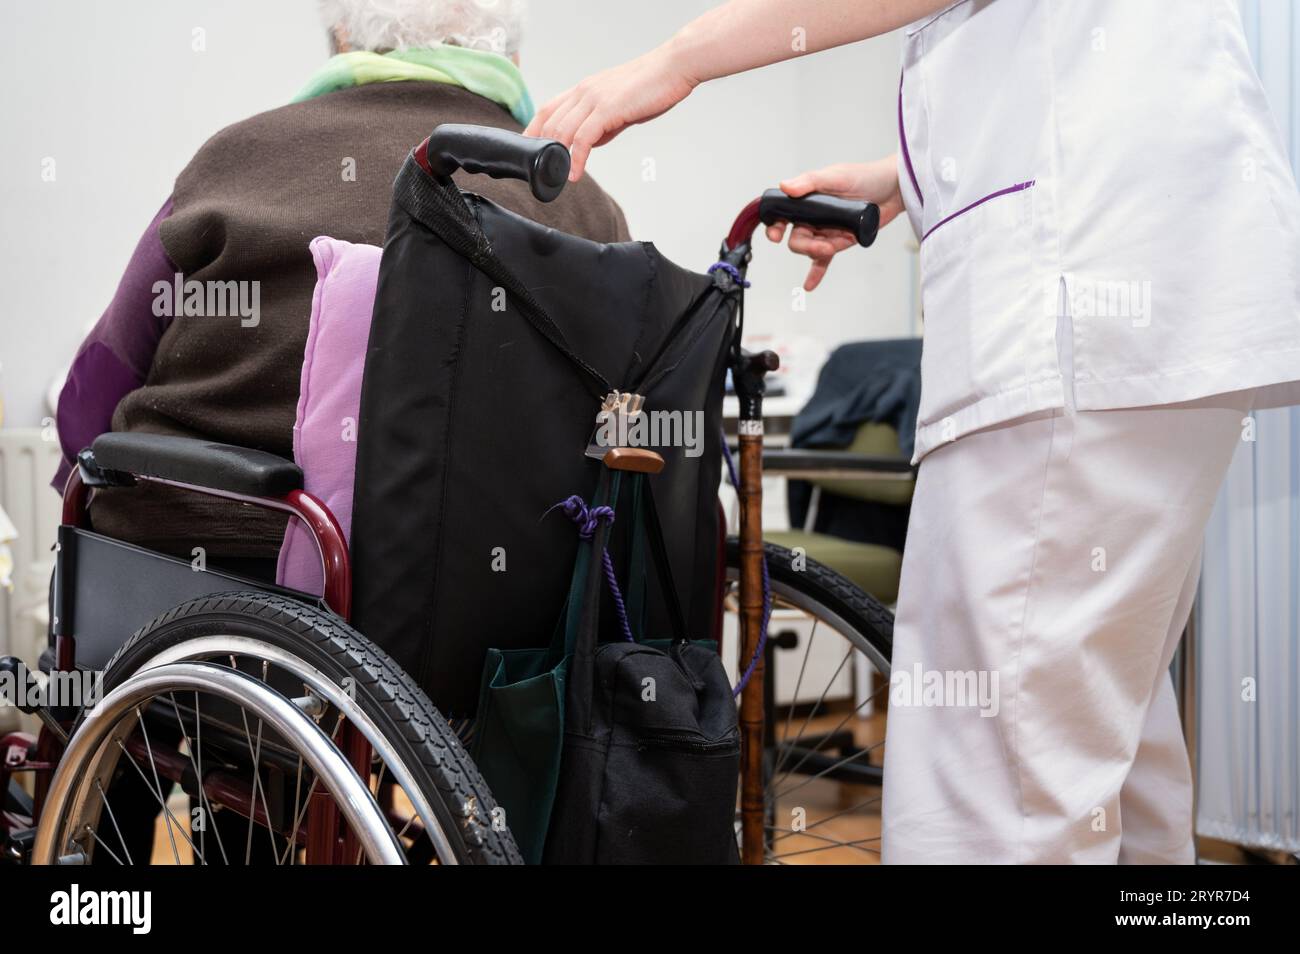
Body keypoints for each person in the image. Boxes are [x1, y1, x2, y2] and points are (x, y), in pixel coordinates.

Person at [528, 0, 1300, 863]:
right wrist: (905, 177)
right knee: (1102, 748)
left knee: (996, 792)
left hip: (1080, 309)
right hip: (1148, 300)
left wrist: (675, 58)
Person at [54, 0, 629, 578]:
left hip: (188, 565)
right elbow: (619, 431)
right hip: (476, 591)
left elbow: (95, 389)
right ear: (513, 57)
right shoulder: (584, 206)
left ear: (342, 41)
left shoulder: (232, 158)